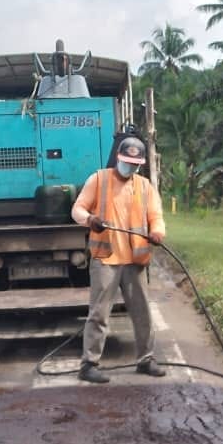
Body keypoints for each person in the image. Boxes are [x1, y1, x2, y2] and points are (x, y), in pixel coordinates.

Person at [71, 136, 166, 384]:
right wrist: (90, 220)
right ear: (118, 159)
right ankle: (89, 364)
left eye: (135, 164)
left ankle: (146, 360)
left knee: (142, 312)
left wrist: (157, 232)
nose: (130, 167)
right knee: (99, 314)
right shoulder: (99, 179)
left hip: (134, 260)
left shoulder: (145, 187)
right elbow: (77, 209)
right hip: (106, 259)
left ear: (140, 164)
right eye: (126, 161)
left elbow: (156, 216)